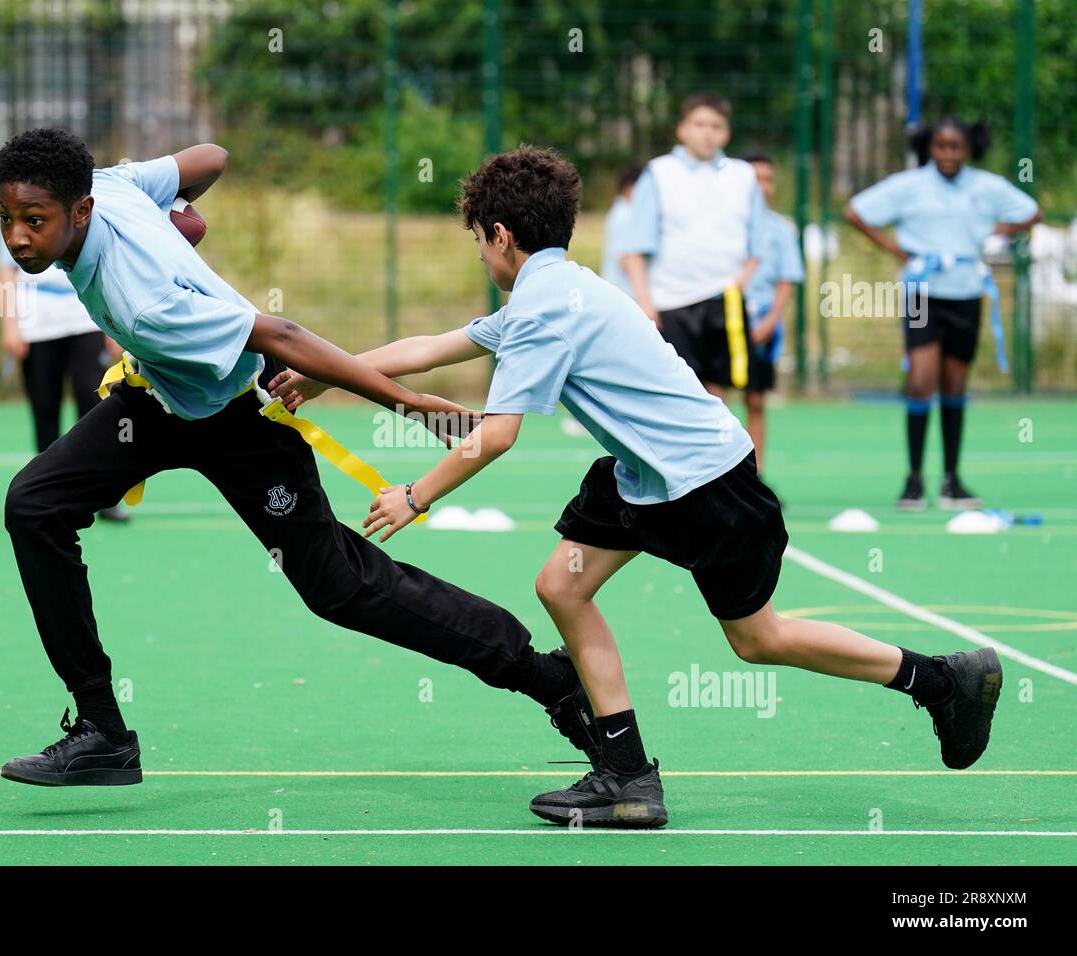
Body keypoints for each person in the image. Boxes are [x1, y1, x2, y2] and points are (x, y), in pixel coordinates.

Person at [273, 146, 1004, 828]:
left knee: (760, 640)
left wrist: (415, 495)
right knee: (562, 586)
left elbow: (495, 436)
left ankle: (942, 683)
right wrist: (318, 369)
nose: (479, 250)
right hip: (643, 479)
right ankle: (627, 776)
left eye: (477, 238)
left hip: (706, 485)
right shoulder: (562, 284)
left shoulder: (541, 308)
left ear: (498, 234)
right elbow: (429, 349)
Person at [0, 128, 584, 787]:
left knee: (340, 588)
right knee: (36, 504)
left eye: (34, 221)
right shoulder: (115, 185)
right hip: (152, 398)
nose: (17, 237)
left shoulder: (144, 298)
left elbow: (283, 334)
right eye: (7, 219)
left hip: (239, 409)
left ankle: (547, 677)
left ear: (80, 211)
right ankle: (103, 732)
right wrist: (173, 212)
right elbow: (213, 156)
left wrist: (411, 404)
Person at [844, 118, 1041, 511]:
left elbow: (1032, 213)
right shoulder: (909, 185)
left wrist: (993, 228)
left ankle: (952, 480)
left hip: (966, 293)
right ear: (929, 148)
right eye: (941, 146)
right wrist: (895, 250)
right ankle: (914, 480)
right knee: (920, 380)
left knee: (955, 385)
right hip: (922, 293)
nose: (948, 154)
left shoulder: (986, 187)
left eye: (956, 147)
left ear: (968, 149)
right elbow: (855, 212)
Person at [619, 92, 767, 395]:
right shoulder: (659, 173)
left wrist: (737, 284)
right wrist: (645, 302)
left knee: (719, 392)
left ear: (726, 133)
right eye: (699, 123)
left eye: (716, 125)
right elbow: (634, 248)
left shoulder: (743, 176)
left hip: (722, 300)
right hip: (670, 301)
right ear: (682, 129)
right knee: (678, 392)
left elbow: (759, 244)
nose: (707, 132)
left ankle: (720, 445)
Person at [0, 243, 128, 521]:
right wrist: (9, 324)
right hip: (35, 320)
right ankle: (48, 491)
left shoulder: (86, 205)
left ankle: (102, 492)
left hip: (85, 316)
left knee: (94, 401)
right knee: (45, 407)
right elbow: (6, 270)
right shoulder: (17, 205)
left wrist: (114, 323)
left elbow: (106, 262)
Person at [739, 152, 804, 477]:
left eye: (768, 179)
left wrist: (772, 319)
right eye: (754, 179)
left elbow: (787, 280)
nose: (762, 187)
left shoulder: (781, 229)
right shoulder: (725, 226)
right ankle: (714, 482)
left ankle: (755, 477)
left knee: (755, 400)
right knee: (712, 399)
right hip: (722, 320)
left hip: (760, 322)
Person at [599, 165, 642, 296]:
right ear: (630, 187)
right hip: (623, 292)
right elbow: (625, 258)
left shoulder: (621, 211)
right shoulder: (625, 215)